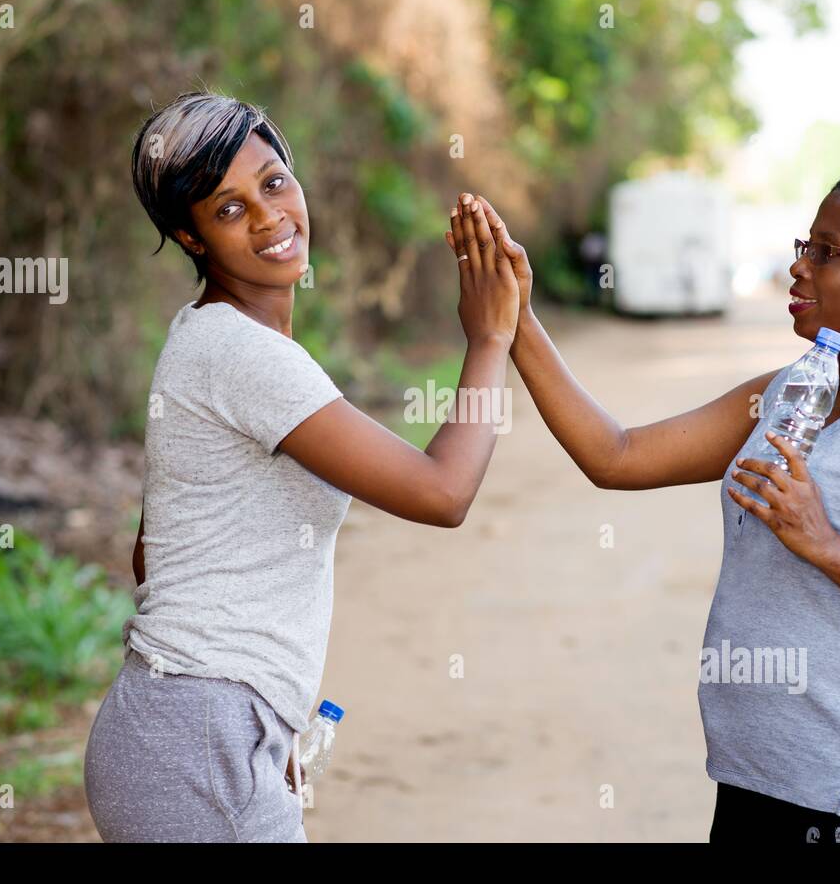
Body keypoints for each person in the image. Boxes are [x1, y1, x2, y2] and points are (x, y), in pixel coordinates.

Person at [450, 165, 840, 843]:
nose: (797, 269)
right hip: (760, 782)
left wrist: (827, 544)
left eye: (826, 253)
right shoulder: (782, 393)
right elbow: (617, 454)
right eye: (804, 247)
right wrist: (518, 320)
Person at [83, 92, 520, 842]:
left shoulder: (215, 341)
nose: (267, 216)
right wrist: (488, 340)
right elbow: (443, 492)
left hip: (195, 737)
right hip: (195, 744)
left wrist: (261, 721)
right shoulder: (241, 354)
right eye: (228, 209)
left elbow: (151, 553)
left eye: (274, 182)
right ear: (190, 237)